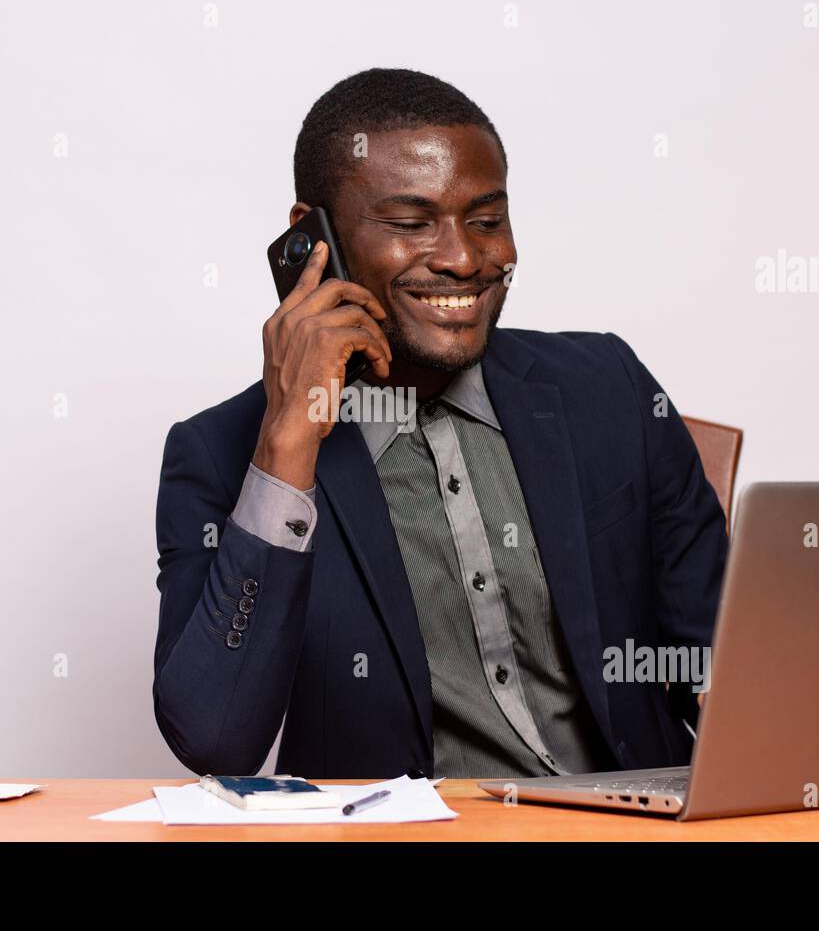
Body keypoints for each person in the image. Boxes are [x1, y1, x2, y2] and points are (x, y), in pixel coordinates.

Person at [153, 68, 727, 779]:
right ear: (313, 236)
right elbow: (214, 736)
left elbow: (722, 659)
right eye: (410, 224)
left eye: (486, 220)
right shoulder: (220, 455)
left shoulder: (608, 387)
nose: (463, 259)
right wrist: (288, 443)